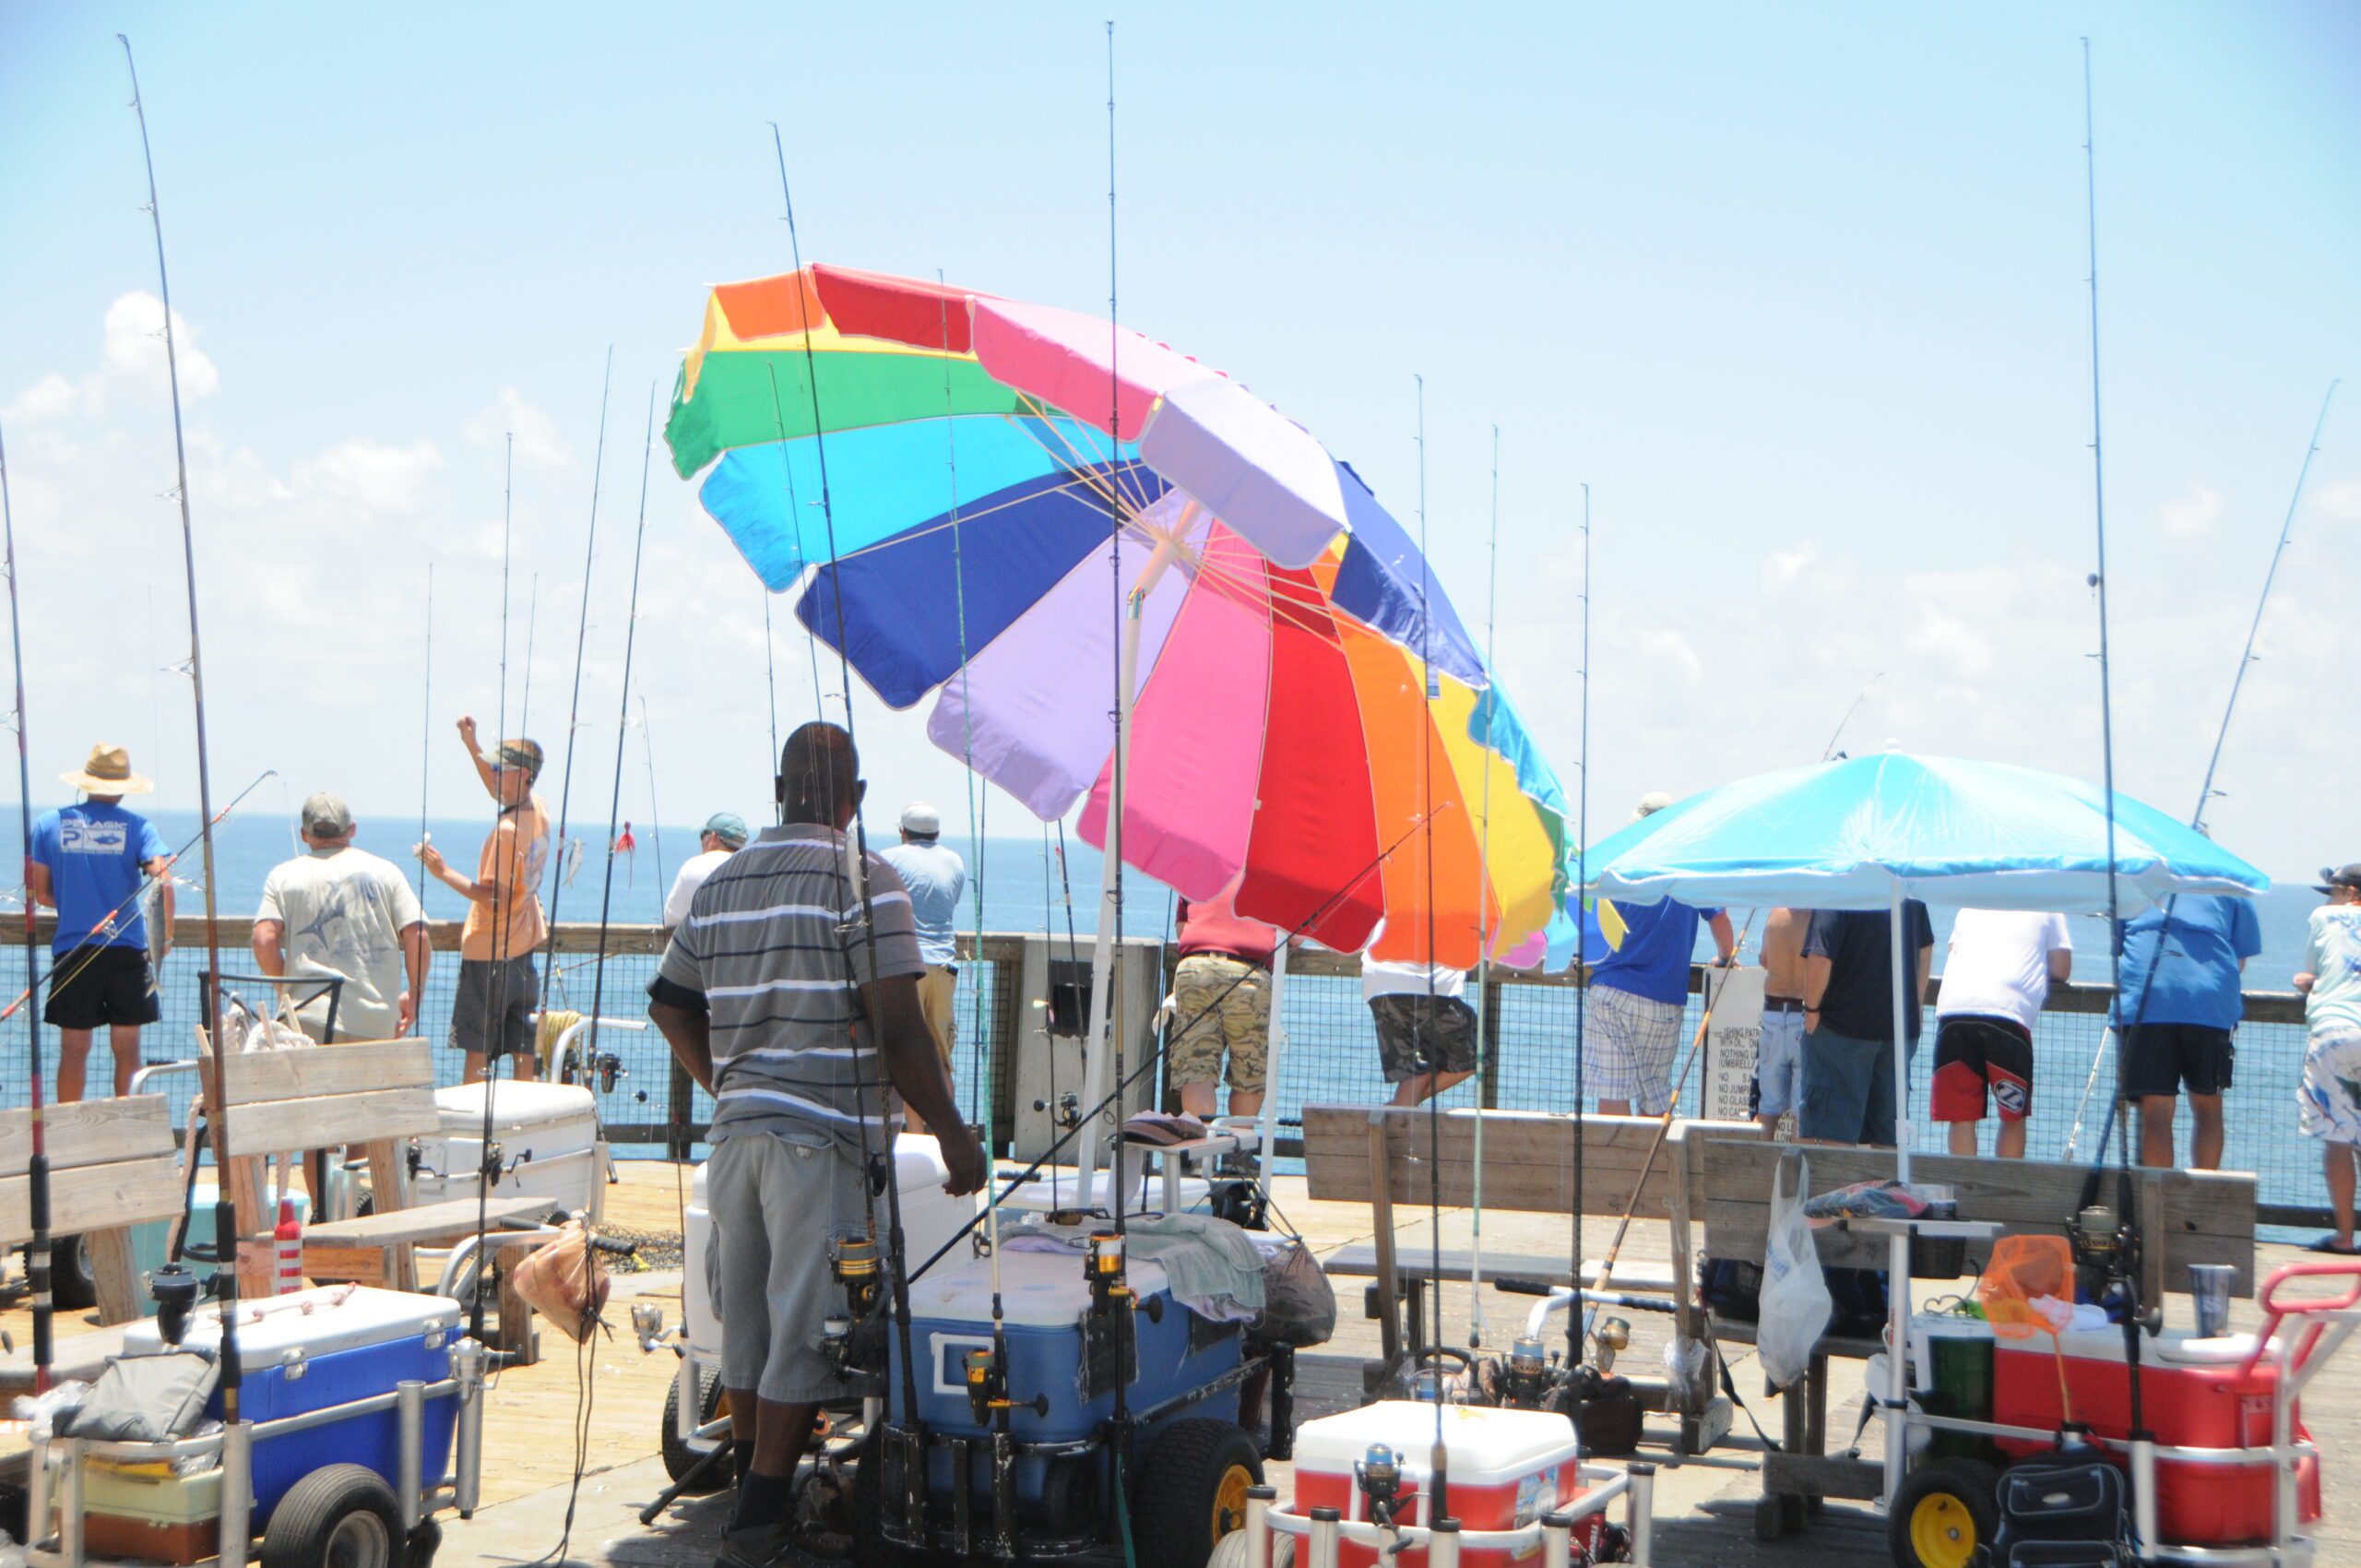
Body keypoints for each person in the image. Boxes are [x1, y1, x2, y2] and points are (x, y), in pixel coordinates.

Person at [647, 722, 985, 1568]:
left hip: (736, 1141)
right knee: (812, 1332)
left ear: (776, 787)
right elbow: (902, 1029)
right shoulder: (864, 878)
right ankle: (759, 1518)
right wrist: (953, 1137)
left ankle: (759, 1501)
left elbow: (668, 1001)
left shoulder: (722, 884)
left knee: (752, 1329)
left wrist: (725, 1081)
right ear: (857, 799)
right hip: (820, 1142)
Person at [28, 744, 171, 1101]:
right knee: (127, 1047)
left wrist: (77, 902)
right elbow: (163, 880)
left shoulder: (49, 824)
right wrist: (165, 935)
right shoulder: (139, 827)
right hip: (127, 949)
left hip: (74, 949)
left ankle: (70, 1136)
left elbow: (39, 892)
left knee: (74, 1048)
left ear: (87, 781)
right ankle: (124, 1131)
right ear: (123, 786)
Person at [416, 719, 549, 1084]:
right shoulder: (538, 811)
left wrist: (443, 872)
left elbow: (496, 897)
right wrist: (470, 744)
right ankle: (526, 1115)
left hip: (489, 953)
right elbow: (498, 790)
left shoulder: (506, 832)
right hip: (524, 953)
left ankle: (474, 1124)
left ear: (521, 774)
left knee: (478, 1046)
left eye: (499, 769)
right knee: (523, 1045)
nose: (492, 774)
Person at [1586, 794, 1735, 1116]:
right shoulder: (1690, 869)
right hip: (1664, 998)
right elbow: (1720, 920)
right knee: (1655, 1094)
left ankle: (1617, 1166)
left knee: (1612, 1090)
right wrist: (1725, 958)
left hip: (1611, 989)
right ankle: (1650, 1165)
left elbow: (1594, 926)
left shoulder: (1620, 864)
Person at [253, 791, 430, 1041]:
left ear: (305, 834)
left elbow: (263, 940)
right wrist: (415, 995)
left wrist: (286, 991)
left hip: (306, 1021)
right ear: (352, 829)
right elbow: (418, 935)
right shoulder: (387, 872)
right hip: (375, 1022)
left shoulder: (282, 877)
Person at [2114, 892, 2262, 1170]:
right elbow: (2238, 961)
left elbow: (2123, 945)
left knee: (2156, 1113)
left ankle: (2158, 1203)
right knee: (2208, 1107)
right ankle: (2202, 1201)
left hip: (2148, 1003)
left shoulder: (2139, 880)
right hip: (2208, 1003)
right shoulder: (2230, 885)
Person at [1930, 908, 2072, 1158]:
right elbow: (2061, 969)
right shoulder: (2048, 901)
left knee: (1961, 1118)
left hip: (1955, 1010)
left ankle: (1966, 1191)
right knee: (2012, 1115)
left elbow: (1954, 951)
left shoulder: (1971, 902)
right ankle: (2005, 1191)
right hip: (2007, 1012)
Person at [1798, 900, 1935, 1146]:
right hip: (1898, 1031)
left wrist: (1811, 1008)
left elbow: (1820, 956)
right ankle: (1887, 1186)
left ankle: (1836, 1186)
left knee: (1834, 1131)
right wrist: (1915, 1005)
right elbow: (1925, 948)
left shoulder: (1842, 887)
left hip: (1841, 1030)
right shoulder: (1905, 888)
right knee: (1888, 1136)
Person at [877, 802, 967, 1135]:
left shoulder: (891, 858)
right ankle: (947, 1136)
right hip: (944, 967)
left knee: (906, 1054)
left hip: (908, 964)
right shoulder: (954, 861)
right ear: (937, 833)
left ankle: (914, 1135)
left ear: (903, 831)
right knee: (940, 1058)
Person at [1170, 885, 1278, 1127]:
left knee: (1197, 1070)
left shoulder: (1201, 862)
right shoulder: (1271, 869)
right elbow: (1295, 937)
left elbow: (1181, 928)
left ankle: (1201, 1150)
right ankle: (1236, 1148)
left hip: (1195, 969)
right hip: (1249, 974)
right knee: (1249, 1074)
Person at [2295, 864, 2361, 1253]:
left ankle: (2345, 1236)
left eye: (2333, 892)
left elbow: (2312, 971)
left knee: (2338, 1139)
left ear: (2351, 892)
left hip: (2334, 1031)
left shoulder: (2322, 917)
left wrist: (2306, 982)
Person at [1362, 945, 1476, 1107]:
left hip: (1379, 984)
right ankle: (1399, 1107)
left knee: (1419, 1069)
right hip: (1421, 986)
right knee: (1477, 1052)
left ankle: (1399, 1108)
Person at [1753, 907, 1810, 1134]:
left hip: (1773, 1014)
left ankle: (1758, 1167)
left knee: (1767, 1107)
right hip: (1804, 1015)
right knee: (1801, 1111)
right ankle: (1796, 1169)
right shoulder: (1816, 918)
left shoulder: (1774, 915)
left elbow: (1764, 959)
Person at [663, 813, 751, 932]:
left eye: (703, 836)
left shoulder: (692, 868)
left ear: (713, 837)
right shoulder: (752, 868)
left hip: (702, 948)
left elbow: (671, 919)